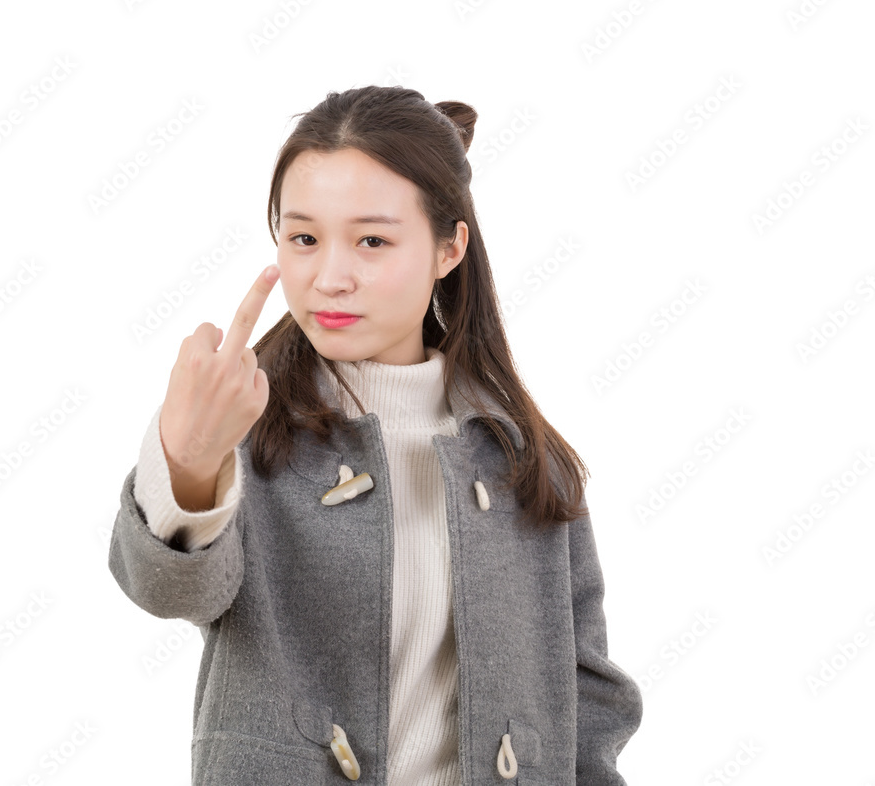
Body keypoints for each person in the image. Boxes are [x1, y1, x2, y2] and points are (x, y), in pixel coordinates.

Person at [109, 84, 642, 784]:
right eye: (303, 238)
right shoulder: (248, 429)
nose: (330, 277)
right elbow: (169, 591)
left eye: (372, 240)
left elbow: (588, 690)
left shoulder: (524, 456)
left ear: (450, 248)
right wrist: (190, 457)